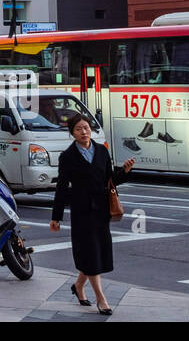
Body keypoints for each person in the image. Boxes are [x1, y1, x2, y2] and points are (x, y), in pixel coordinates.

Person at [50, 112, 135, 315]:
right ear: (72, 133)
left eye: (86, 128)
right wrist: (56, 216)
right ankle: (101, 299)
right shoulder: (68, 157)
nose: (84, 132)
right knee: (91, 254)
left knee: (96, 253)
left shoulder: (101, 151)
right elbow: (61, 187)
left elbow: (110, 180)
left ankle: (79, 286)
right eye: (79, 129)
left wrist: (124, 171)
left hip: (101, 210)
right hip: (81, 212)